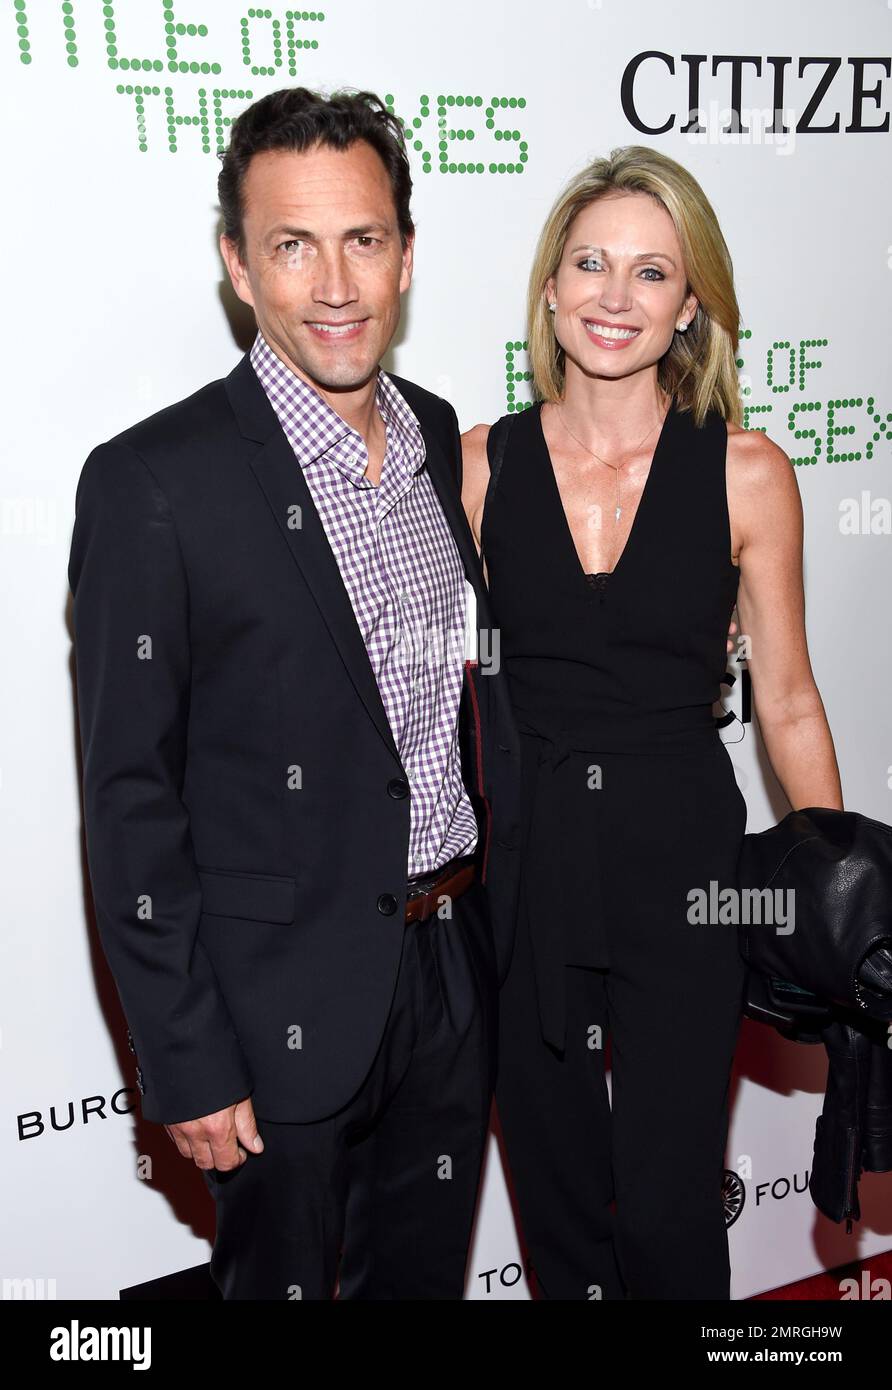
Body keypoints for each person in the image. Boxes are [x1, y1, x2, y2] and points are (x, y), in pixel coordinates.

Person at [67, 86, 522, 1301]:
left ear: (407, 254)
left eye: (363, 239)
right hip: (273, 1014)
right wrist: (187, 1058)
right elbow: (127, 797)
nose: (334, 283)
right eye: (291, 244)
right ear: (237, 263)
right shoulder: (151, 485)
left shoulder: (433, 434)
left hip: (448, 970)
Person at [460, 145, 844, 1300]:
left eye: (648, 272)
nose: (612, 298)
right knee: (558, 1197)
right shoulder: (479, 466)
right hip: (522, 875)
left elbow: (784, 697)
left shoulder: (745, 472)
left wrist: (829, 891)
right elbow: (447, 689)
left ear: (691, 305)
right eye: (588, 264)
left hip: (688, 877)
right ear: (548, 287)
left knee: (673, 1202)